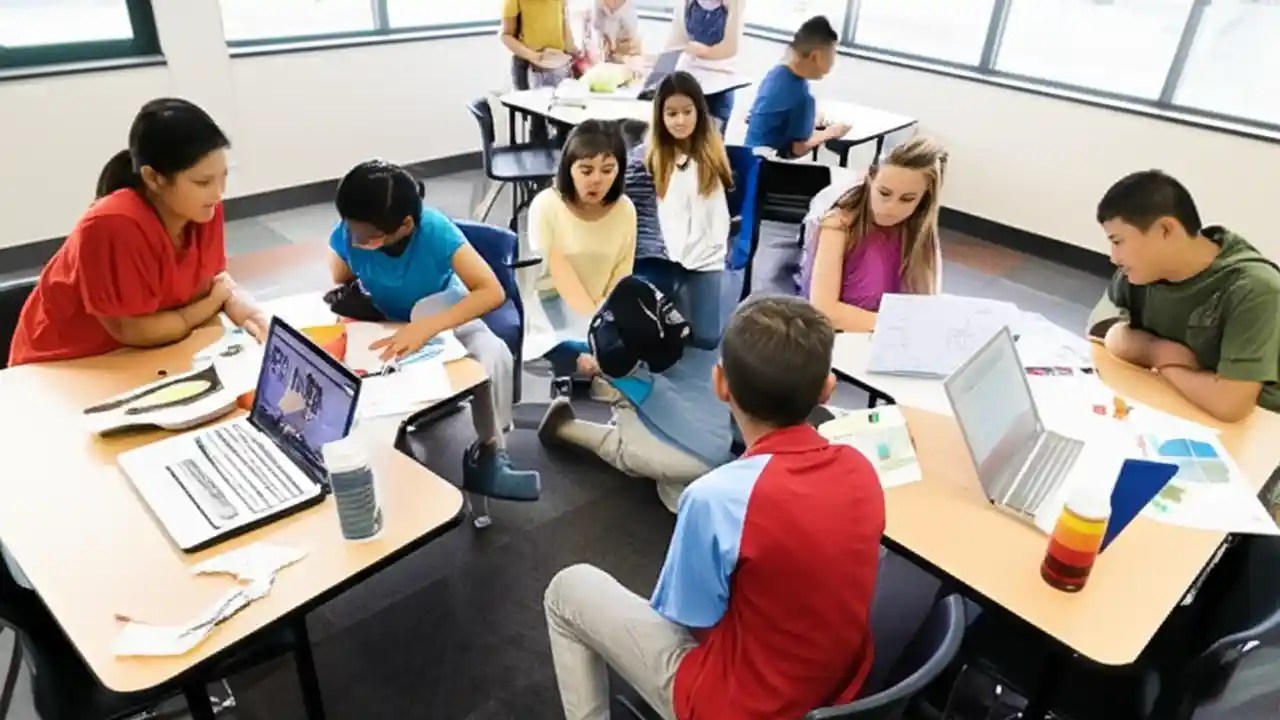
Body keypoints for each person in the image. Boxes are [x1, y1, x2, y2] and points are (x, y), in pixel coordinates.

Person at [544, 295, 885, 720]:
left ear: (720, 384)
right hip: (836, 695)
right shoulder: (863, 471)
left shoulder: (717, 498)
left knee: (567, 590)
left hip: (736, 708)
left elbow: (686, 616)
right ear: (827, 389)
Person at [325, 161, 540, 502]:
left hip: (442, 309)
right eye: (352, 229)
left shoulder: (435, 230)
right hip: (383, 317)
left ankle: (490, 452)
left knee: (493, 355)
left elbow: (491, 291)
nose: (356, 240)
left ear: (406, 224)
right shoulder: (351, 233)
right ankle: (385, 450)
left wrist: (426, 327)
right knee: (352, 374)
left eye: (369, 236)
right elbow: (340, 277)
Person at [9, 98, 267, 367]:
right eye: (202, 182)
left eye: (223, 176)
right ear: (153, 178)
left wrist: (252, 313)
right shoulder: (113, 224)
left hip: (145, 354)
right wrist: (211, 302)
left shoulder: (203, 209)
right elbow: (134, 331)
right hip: (64, 364)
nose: (218, 192)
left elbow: (217, 282)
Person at [1089, 170, 1280, 421]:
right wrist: (1155, 351)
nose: (1113, 257)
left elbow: (1230, 405)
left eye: (1118, 241)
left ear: (1166, 230)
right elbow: (1101, 328)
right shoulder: (1142, 272)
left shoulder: (1255, 288)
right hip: (1183, 406)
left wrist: (1167, 367)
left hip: (1262, 431)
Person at [538, 276, 734, 512]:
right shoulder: (705, 340)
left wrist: (584, 362)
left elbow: (581, 357)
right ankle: (680, 472)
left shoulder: (634, 372)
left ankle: (564, 427)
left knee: (625, 447)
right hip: (725, 440)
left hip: (695, 458)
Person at [524, 120, 636, 386]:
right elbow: (557, 276)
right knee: (584, 358)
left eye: (608, 170)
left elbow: (622, 272)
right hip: (550, 306)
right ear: (569, 168)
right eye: (586, 170)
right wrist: (593, 338)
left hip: (601, 307)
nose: (597, 180)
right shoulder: (546, 206)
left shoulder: (625, 209)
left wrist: (606, 321)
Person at [625, 71, 733, 349]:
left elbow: (716, 214)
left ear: (699, 111)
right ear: (660, 116)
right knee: (650, 329)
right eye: (672, 113)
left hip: (703, 257)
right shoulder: (644, 159)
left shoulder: (711, 152)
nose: (680, 120)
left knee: (708, 339)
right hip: (659, 255)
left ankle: (683, 296)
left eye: (687, 111)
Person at [802, 136, 947, 331]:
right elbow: (825, 310)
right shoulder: (838, 224)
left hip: (886, 336)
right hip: (835, 336)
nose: (890, 208)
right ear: (871, 178)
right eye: (884, 193)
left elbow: (925, 305)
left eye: (907, 199)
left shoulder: (919, 232)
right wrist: (900, 325)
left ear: (923, 199)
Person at [744, 15, 849, 159]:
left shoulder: (776, 73)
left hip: (747, 158)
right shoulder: (803, 97)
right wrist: (831, 132)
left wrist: (811, 119)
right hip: (769, 168)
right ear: (815, 56)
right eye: (833, 54)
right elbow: (797, 149)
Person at [502, 0, 577, 142]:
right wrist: (536, 56)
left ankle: (561, 161)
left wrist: (573, 52)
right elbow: (506, 36)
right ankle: (540, 160)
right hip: (529, 65)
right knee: (538, 123)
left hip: (558, 63)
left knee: (565, 121)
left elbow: (563, 23)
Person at [665, 0, 746, 125]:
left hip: (720, 84)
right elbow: (676, 42)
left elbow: (730, 48)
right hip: (689, 82)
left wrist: (704, 51)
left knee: (710, 139)